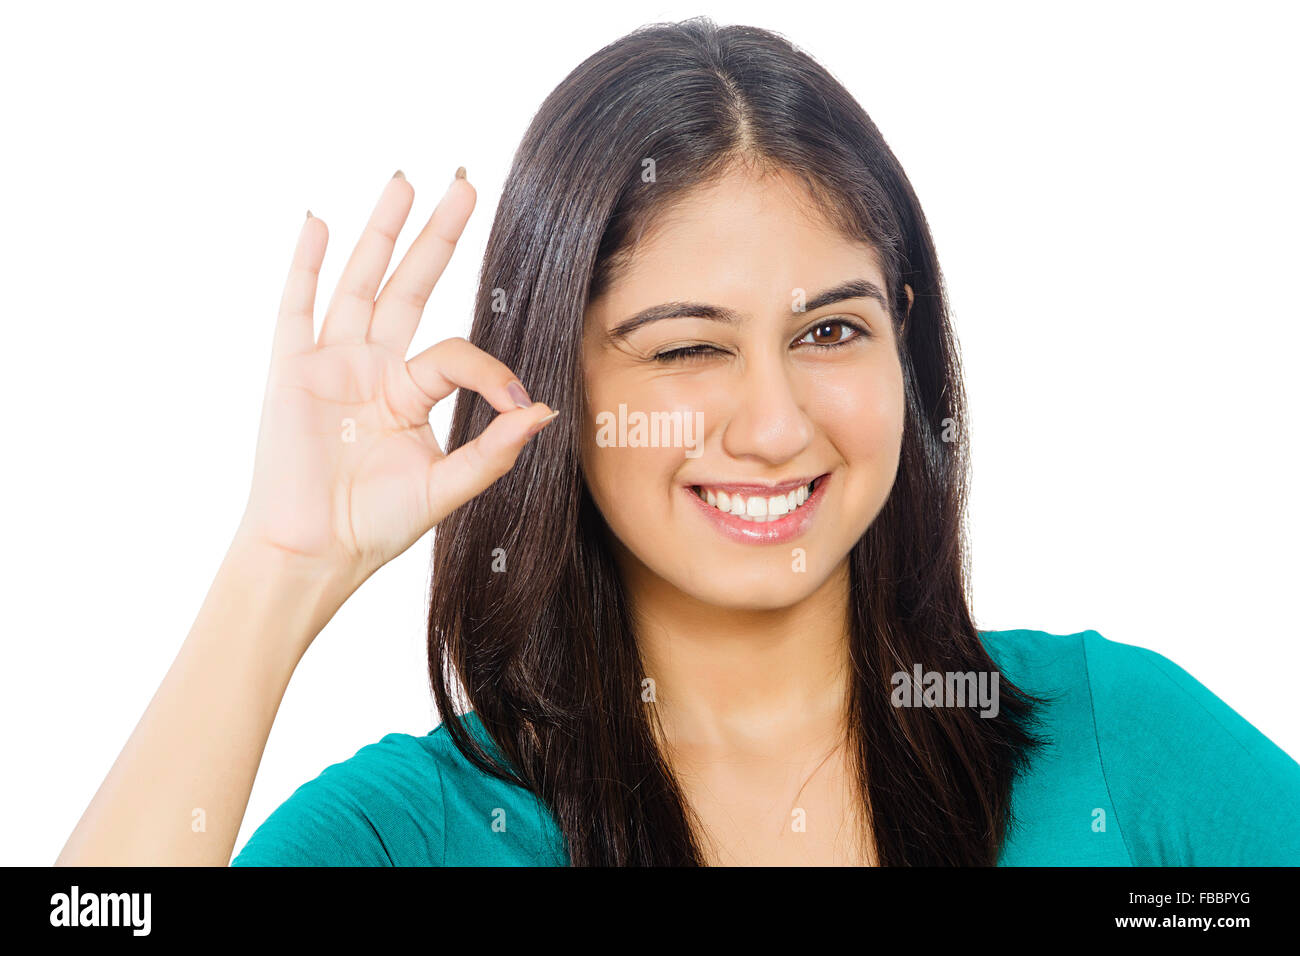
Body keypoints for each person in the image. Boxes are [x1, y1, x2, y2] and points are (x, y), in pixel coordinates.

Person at [57, 17, 1300, 867]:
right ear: (554, 378)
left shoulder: (1114, 744)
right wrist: (277, 568)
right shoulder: (426, 833)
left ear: (903, 342)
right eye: (683, 347)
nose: (772, 424)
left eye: (827, 332)